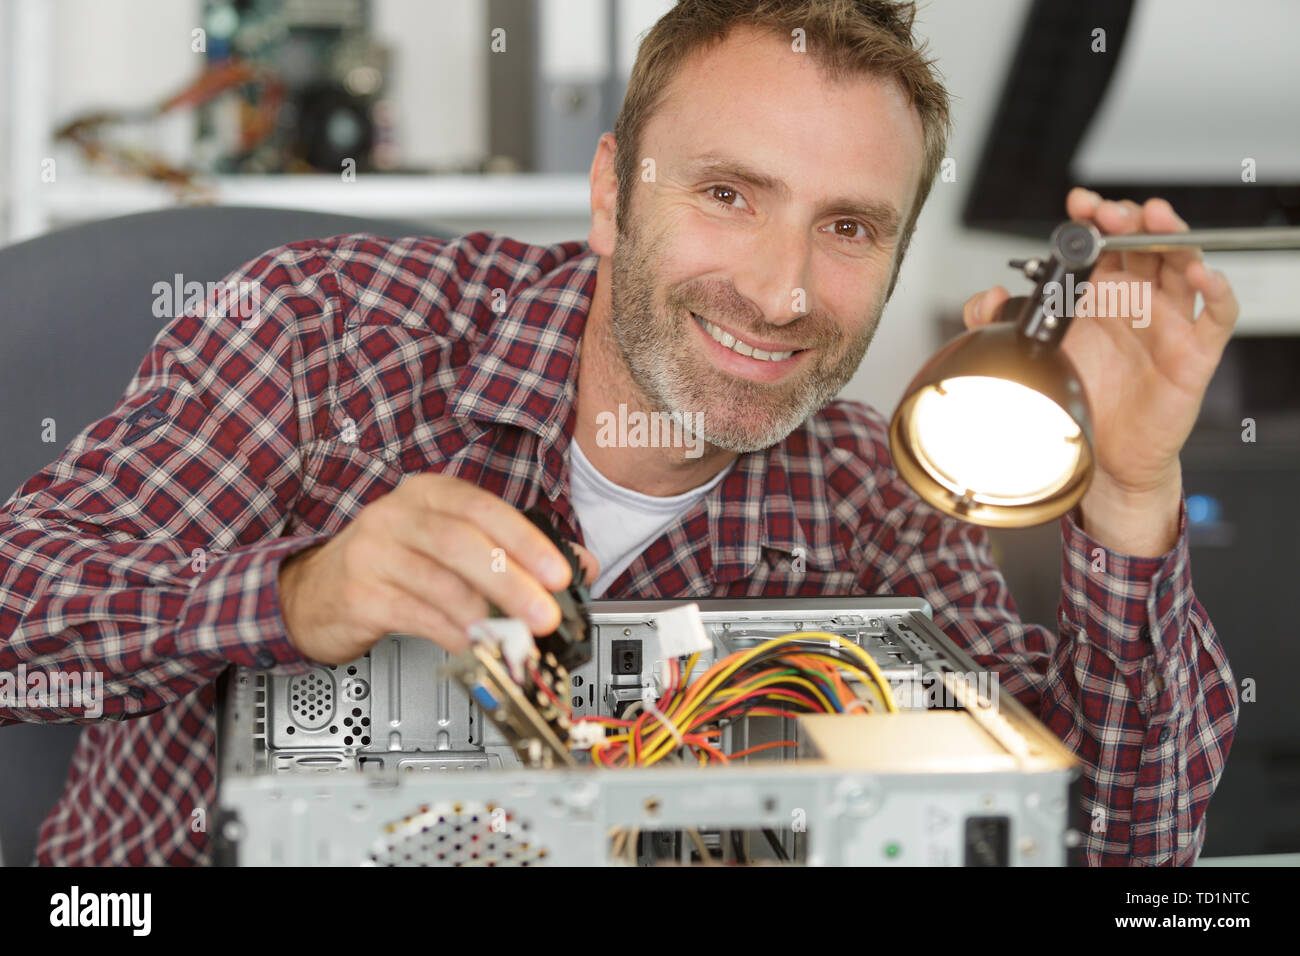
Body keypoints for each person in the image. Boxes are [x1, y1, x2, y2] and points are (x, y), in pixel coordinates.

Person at [0, 0, 1238, 866]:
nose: (780, 289)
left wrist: (1131, 491)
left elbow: (1110, 849)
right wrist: (299, 595)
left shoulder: (869, 486)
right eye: (728, 194)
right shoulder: (320, 332)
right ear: (609, 192)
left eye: (848, 227)